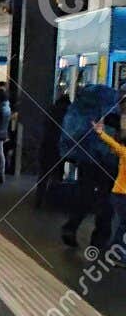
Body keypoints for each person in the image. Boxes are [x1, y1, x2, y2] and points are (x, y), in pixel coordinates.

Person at [64, 111, 119, 252]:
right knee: (106, 203)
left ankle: (70, 227)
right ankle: (99, 240)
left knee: (84, 197)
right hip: (109, 166)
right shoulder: (117, 124)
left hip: (88, 162)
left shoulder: (96, 121)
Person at [94, 118, 126, 252]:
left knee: (123, 225)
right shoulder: (124, 152)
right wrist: (101, 133)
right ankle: (117, 251)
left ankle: (116, 249)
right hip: (121, 195)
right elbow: (114, 144)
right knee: (123, 225)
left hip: (119, 194)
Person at [36, 94, 71, 209]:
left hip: (47, 145)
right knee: (57, 174)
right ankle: (52, 200)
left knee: (43, 175)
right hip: (60, 147)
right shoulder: (68, 114)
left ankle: (39, 200)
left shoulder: (50, 110)